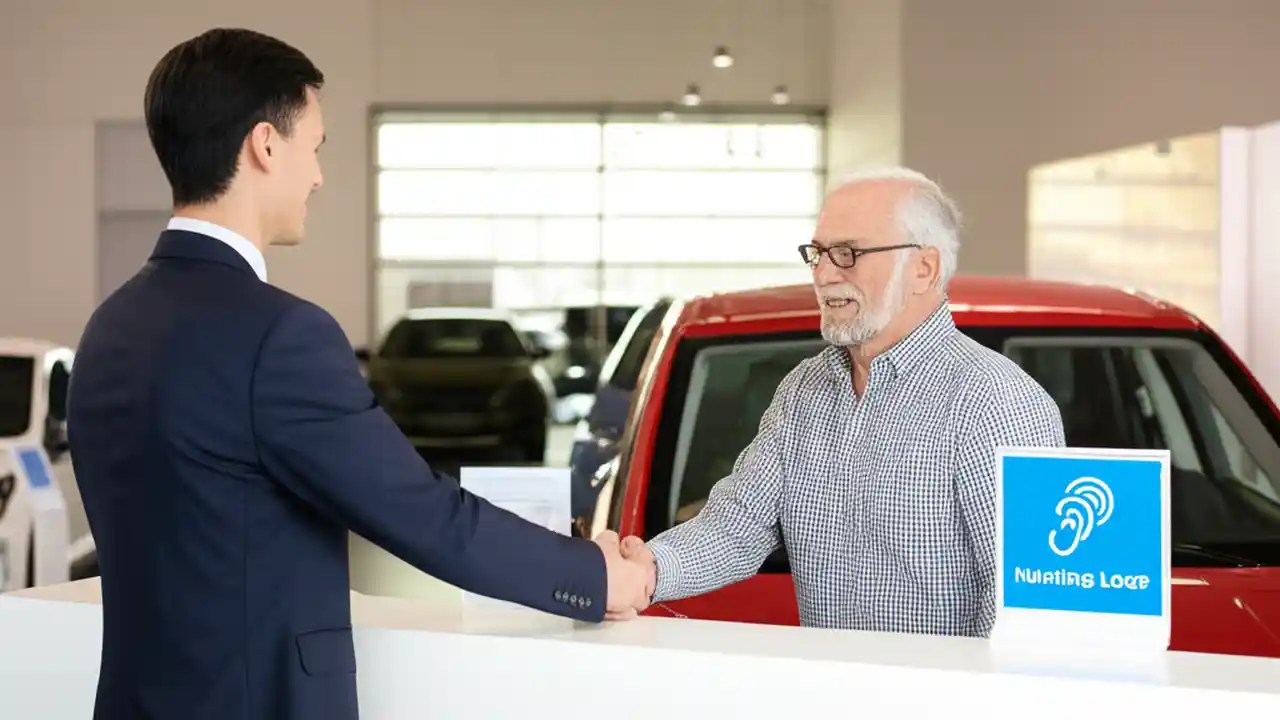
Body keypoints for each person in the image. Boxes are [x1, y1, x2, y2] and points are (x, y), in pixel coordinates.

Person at [66, 28, 650, 720]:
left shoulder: (108, 328)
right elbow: (424, 514)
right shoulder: (280, 335)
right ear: (264, 145)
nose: (317, 175)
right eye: (314, 147)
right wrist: (594, 576)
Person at [620, 167, 1065, 637]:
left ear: (924, 269)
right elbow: (738, 527)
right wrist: (645, 572)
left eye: (848, 254)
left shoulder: (996, 402)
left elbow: (1026, 601)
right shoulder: (804, 390)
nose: (824, 274)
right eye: (818, 253)